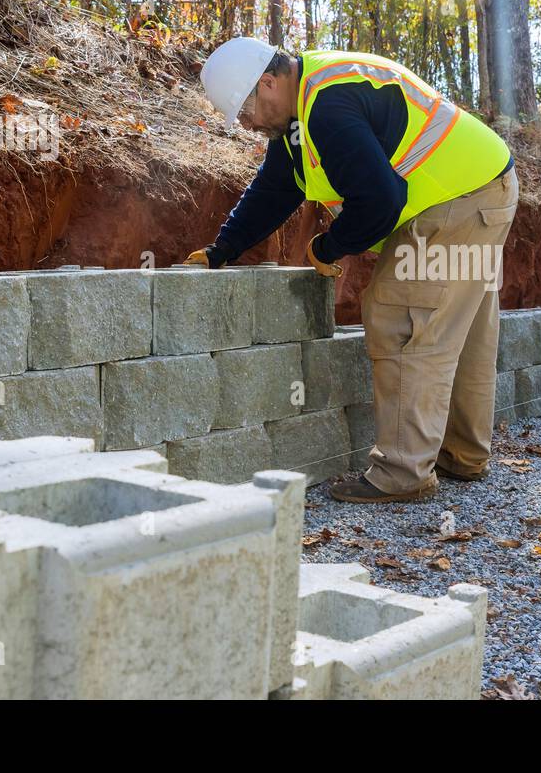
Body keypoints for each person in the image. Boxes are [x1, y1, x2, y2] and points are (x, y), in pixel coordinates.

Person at [189, 38, 519, 504]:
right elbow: (275, 188)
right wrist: (221, 248)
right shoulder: (304, 109)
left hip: (458, 199)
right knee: (458, 331)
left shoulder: (327, 106)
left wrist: (330, 245)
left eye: (245, 113)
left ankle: (403, 473)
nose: (245, 125)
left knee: (400, 317)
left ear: (268, 83)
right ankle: (461, 455)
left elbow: (380, 202)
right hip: (482, 185)